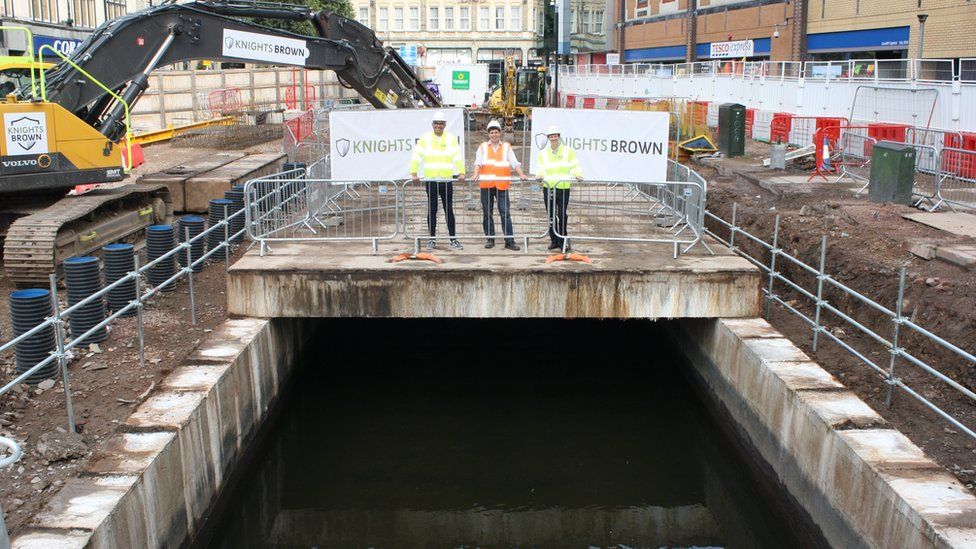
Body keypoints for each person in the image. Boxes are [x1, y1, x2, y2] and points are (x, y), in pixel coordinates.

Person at [410, 110, 465, 250]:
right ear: (432, 124)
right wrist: (414, 172)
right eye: (436, 123)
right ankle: (432, 239)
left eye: (441, 123)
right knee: (432, 210)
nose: (439, 126)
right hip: (431, 180)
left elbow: (457, 156)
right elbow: (417, 155)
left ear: (445, 125)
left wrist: (461, 172)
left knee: (449, 210)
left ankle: (453, 239)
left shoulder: (451, 139)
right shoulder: (425, 138)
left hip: (446, 180)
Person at [472, 120, 527, 251]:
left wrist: (521, 174)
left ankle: (509, 241)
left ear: (500, 133)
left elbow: (514, 163)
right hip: (486, 185)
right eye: (491, 132)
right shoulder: (483, 147)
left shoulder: (506, 147)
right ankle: (490, 239)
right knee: (487, 213)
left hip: (502, 185)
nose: (494, 135)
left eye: (496, 132)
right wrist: (475, 174)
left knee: (505, 213)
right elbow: (478, 163)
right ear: (488, 134)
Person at [536, 125, 583, 251]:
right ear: (548, 138)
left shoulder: (568, 151)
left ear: (559, 137)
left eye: (555, 136)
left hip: (563, 187)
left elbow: (574, 165)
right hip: (549, 188)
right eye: (551, 136)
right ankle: (554, 241)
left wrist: (577, 174)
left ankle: (563, 240)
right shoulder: (544, 154)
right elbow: (541, 167)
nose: (553, 138)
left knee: (562, 215)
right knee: (551, 215)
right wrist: (539, 174)